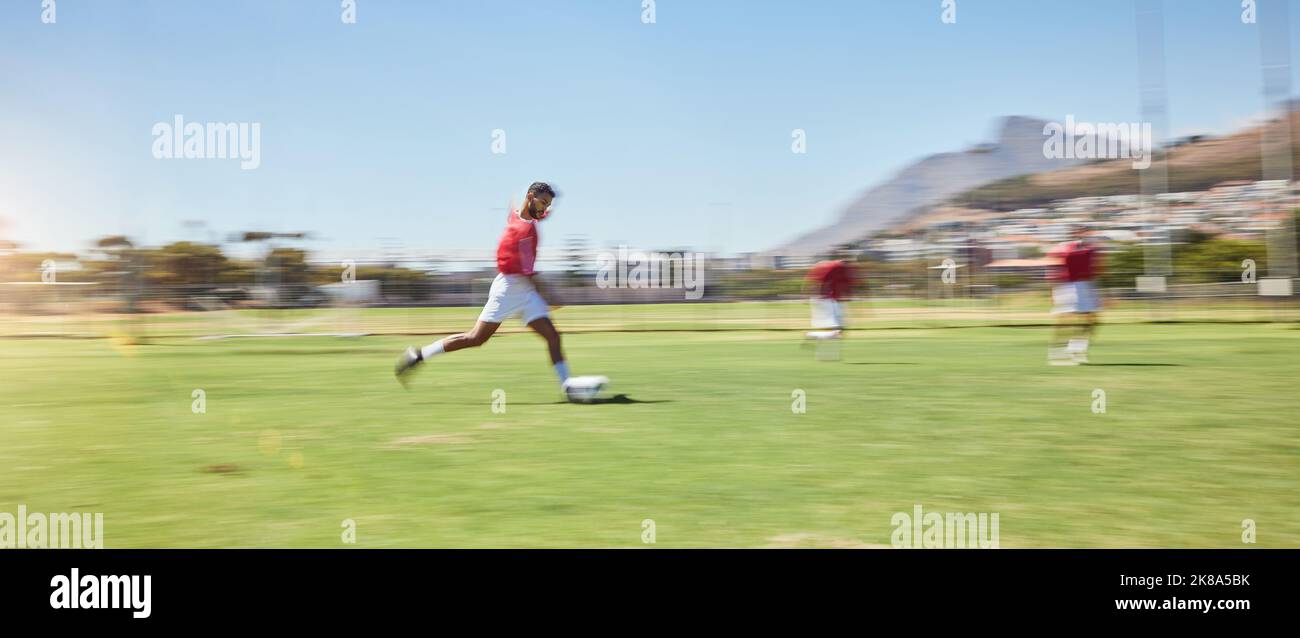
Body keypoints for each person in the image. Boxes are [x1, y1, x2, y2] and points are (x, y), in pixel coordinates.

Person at [395, 182, 588, 397]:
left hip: (523, 290)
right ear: (531, 196)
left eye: (548, 205)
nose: (545, 209)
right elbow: (528, 273)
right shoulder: (525, 231)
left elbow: (523, 211)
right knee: (476, 338)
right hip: (507, 290)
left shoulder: (518, 215)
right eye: (543, 203)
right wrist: (551, 295)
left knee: (553, 336)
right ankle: (418, 355)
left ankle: (568, 386)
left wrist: (532, 206)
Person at [1047, 228, 1102, 365]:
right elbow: (1056, 264)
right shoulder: (1068, 248)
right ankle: (1058, 351)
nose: (1087, 236)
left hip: (1084, 285)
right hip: (1070, 285)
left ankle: (1075, 349)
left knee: (1091, 320)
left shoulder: (1089, 250)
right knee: (1066, 321)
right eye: (1083, 233)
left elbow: (1095, 269)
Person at [804, 256, 855, 342]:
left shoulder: (829, 267)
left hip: (827, 299)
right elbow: (822, 283)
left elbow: (815, 282)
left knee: (838, 329)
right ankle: (811, 335)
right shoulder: (837, 268)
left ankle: (813, 335)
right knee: (837, 329)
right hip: (827, 300)